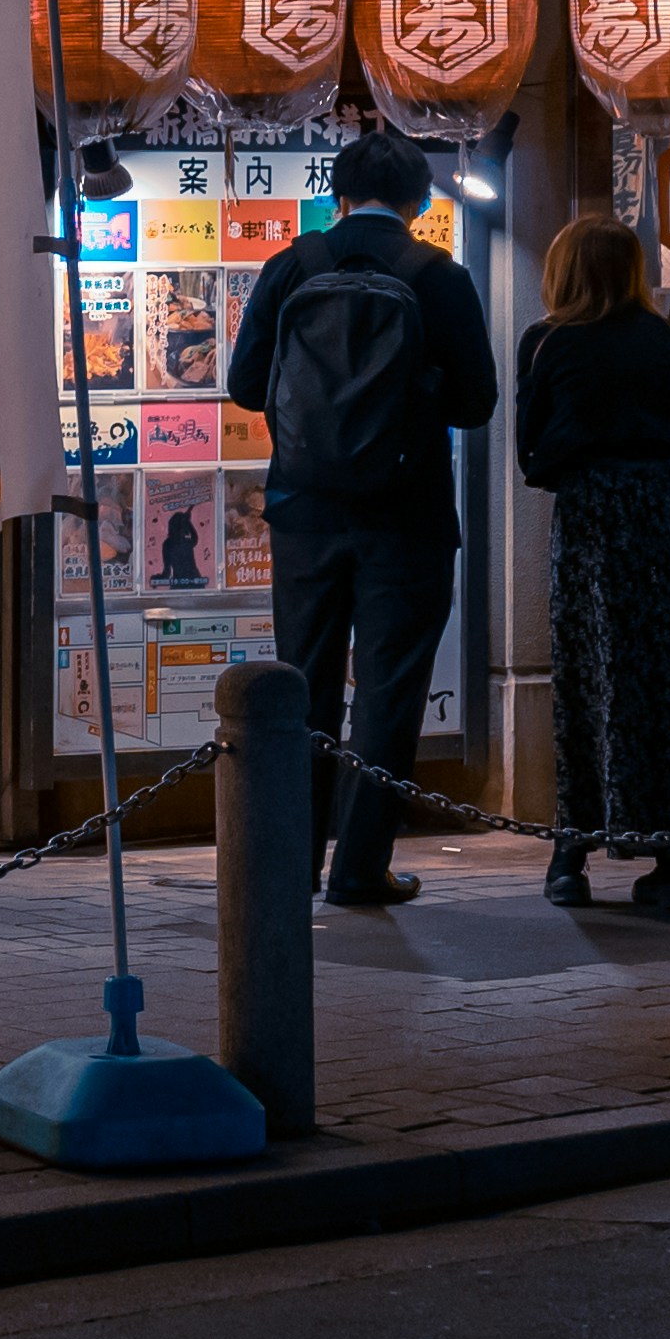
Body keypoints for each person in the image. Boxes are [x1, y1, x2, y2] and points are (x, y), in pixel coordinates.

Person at [226, 130, 499, 909]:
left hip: (305, 513)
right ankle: (359, 869)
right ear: (419, 203)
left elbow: (248, 386)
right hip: (406, 516)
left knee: (302, 686)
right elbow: (475, 404)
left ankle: (289, 860)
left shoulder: (294, 267)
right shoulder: (437, 275)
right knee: (390, 689)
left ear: (336, 197)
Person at [516, 214, 670, 917]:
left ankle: (570, 857)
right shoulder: (665, 339)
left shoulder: (547, 342)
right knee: (667, 679)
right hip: (660, 514)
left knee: (589, 674)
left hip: (590, 514)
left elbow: (532, 452)